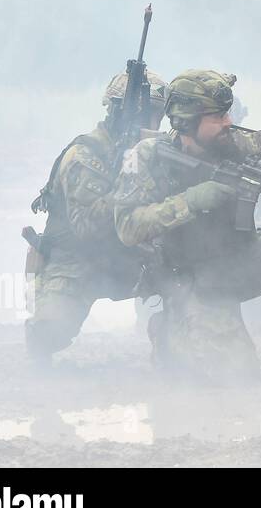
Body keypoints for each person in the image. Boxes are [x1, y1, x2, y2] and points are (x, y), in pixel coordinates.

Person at [112, 69, 261, 382]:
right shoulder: (147, 158)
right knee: (237, 378)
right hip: (191, 282)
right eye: (216, 117)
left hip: (242, 262)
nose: (227, 122)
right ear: (185, 122)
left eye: (226, 113)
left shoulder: (244, 145)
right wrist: (192, 201)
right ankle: (169, 333)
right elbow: (128, 227)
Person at [25, 71, 166, 366]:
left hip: (132, 255)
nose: (153, 125)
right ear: (118, 113)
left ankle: (170, 337)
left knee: (188, 278)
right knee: (52, 331)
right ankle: (40, 329)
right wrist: (135, 181)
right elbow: (87, 227)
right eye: (145, 116)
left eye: (158, 116)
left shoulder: (157, 154)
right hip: (77, 260)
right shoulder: (85, 156)